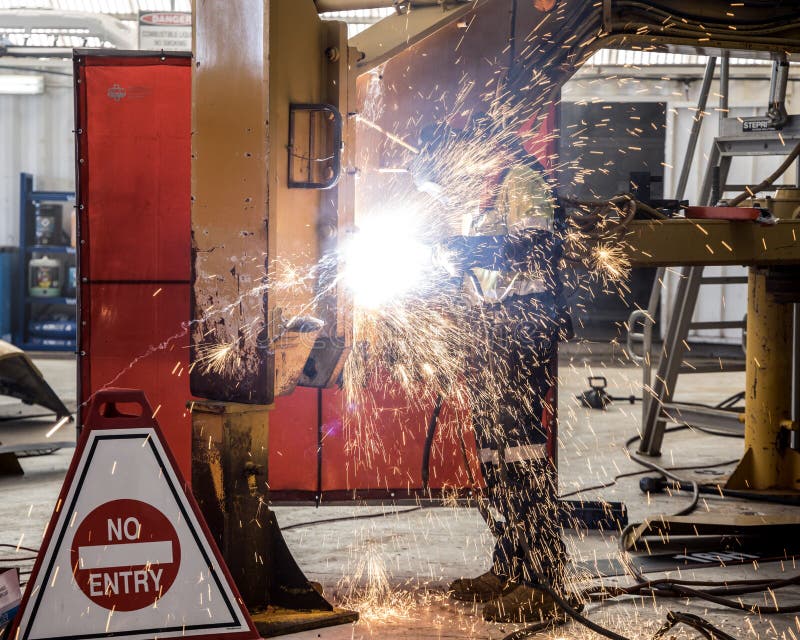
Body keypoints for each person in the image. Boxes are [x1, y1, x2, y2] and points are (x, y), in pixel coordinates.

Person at [411, 118, 573, 623]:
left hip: (524, 323)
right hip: (492, 327)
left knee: (519, 449)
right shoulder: (482, 195)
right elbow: (480, 262)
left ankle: (545, 580)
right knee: (494, 451)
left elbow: (534, 246)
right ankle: (510, 565)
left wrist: (461, 251)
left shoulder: (521, 180)